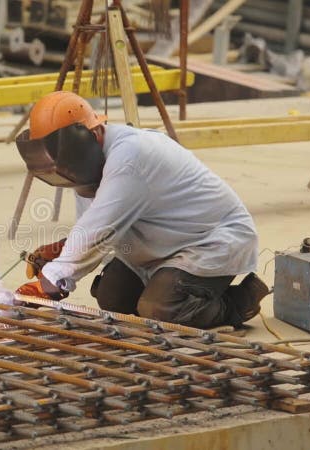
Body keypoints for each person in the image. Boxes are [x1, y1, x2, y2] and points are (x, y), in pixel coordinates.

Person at [14, 91, 268, 329]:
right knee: (112, 299)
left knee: (159, 309)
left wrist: (51, 282)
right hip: (158, 246)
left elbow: (99, 230)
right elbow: (94, 227)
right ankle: (176, 288)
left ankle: (236, 303)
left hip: (208, 240)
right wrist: (61, 250)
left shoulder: (130, 157)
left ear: (92, 134)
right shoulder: (84, 165)